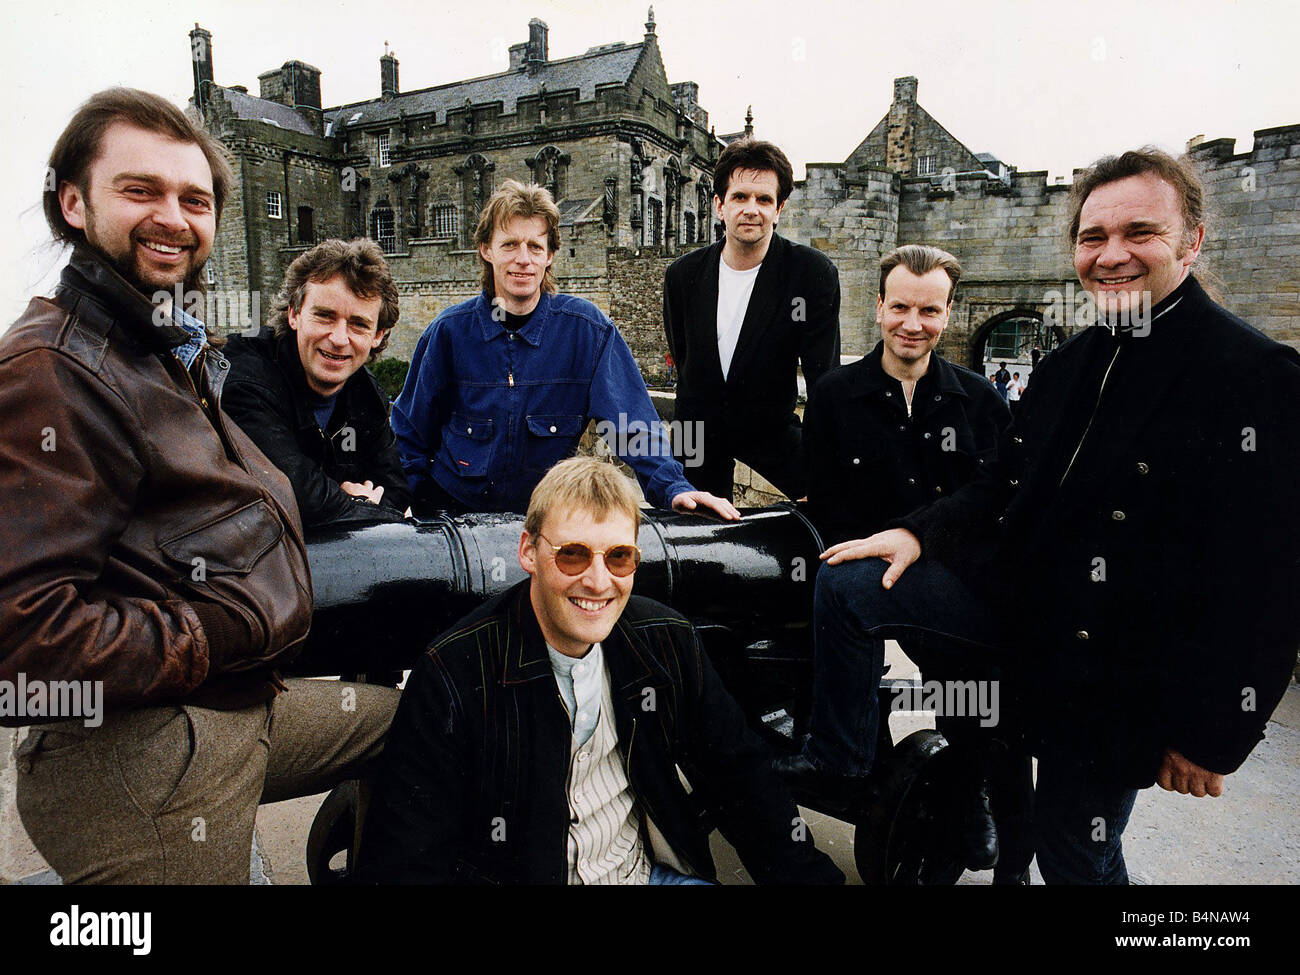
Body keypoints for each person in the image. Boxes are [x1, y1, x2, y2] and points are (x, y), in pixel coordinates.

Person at [795, 147, 1300, 884]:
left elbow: (1272, 579)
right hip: (1021, 620)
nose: (1111, 255)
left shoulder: (1254, 375)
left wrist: (1212, 731)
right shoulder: (1071, 362)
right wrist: (914, 531)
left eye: (1139, 233)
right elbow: (997, 483)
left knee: (1075, 851)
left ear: (1192, 241)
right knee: (849, 584)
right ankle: (843, 762)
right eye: (1093, 238)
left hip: (1114, 670)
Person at [0, 88, 398, 884]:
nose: (175, 218)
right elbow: (23, 644)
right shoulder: (53, 370)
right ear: (73, 202)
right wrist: (213, 636)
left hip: (235, 706)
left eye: (196, 198)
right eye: (140, 190)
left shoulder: (163, 348)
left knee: (430, 719)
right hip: (140, 750)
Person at [359, 456, 844, 884]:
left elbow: (744, 782)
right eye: (572, 554)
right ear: (528, 551)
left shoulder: (666, 640)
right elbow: (407, 855)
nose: (597, 581)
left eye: (619, 557)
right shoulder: (454, 673)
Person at [784, 244, 1033, 882]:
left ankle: (972, 795)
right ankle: (847, 753)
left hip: (959, 580)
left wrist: (915, 537)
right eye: (900, 307)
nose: (912, 324)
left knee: (980, 706)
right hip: (871, 576)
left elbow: (997, 496)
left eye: (929, 310)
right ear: (879, 309)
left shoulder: (979, 400)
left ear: (948, 315)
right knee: (842, 584)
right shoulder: (837, 395)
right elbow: (823, 497)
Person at [393, 180, 738, 521]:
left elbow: (632, 425)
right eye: (510, 245)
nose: (523, 260)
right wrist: (419, 504)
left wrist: (673, 486)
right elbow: (410, 432)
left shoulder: (587, 332)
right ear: (486, 250)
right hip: (456, 516)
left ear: (551, 255)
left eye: (535, 247)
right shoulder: (448, 334)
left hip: (542, 520)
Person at [663, 138, 840, 501]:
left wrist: (823, 463)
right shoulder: (683, 275)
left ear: (779, 209)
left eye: (764, 200)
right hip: (694, 428)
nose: (751, 209)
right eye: (740, 197)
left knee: (832, 505)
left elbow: (824, 377)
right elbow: (685, 358)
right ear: (719, 205)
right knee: (689, 536)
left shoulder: (810, 273)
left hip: (770, 425)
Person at [223, 238, 412, 529]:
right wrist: (360, 505)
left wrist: (354, 507)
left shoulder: (364, 390)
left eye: (358, 324)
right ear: (294, 314)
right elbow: (297, 494)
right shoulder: (247, 378)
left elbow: (395, 490)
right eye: (325, 316)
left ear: (378, 335)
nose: (339, 339)